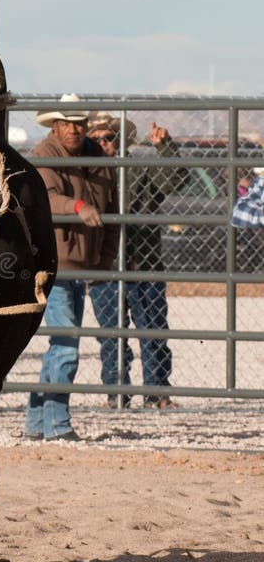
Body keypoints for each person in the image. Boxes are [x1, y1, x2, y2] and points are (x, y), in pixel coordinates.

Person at [24, 96, 118, 441]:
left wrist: (104, 263)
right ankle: (58, 424)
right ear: (55, 125)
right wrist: (77, 205)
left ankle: (37, 422)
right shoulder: (44, 155)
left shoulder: (99, 159)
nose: (74, 129)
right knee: (66, 346)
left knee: (60, 345)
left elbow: (113, 214)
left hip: (83, 263)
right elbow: (44, 196)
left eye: (79, 123)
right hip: (54, 263)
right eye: (67, 123)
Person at [86, 115, 181, 410]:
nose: (103, 143)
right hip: (105, 265)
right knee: (111, 336)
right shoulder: (85, 171)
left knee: (152, 330)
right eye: (96, 139)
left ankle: (156, 393)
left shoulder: (139, 167)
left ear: (119, 140)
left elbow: (173, 181)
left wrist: (165, 148)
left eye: (109, 138)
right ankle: (117, 394)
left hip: (144, 262)